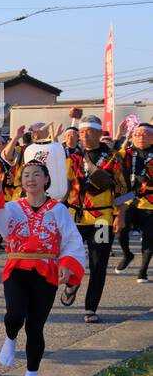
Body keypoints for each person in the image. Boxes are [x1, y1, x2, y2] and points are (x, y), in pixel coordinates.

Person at [0, 159, 85, 376]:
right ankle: (10, 338)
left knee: (35, 327)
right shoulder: (13, 207)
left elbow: (71, 240)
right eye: (26, 174)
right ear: (21, 181)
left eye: (37, 174)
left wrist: (66, 264)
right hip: (17, 267)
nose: (31, 178)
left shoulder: (58, 209)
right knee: (15, 314)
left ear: (46, 179)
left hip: (46, 271)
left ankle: (31, 374)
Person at [64, 118, 126, 322]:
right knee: (69, 257)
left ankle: (91, 307)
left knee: (98, 264)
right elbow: (63, 188)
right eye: (82, 132)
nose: (85, 135)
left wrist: (120, 216)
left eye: (90, 131)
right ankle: (73, 283)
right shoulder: (72, 158)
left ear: (100, 134)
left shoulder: (113, 158)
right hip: (76, 217)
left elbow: (122, 189)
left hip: (102, 218)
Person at [116, 122, 153, 281]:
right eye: (137, 134)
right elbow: (112, 160)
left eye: (145, 134)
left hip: (150, 200)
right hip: (129, 199)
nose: (140, 137)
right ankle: (127, 254)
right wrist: (118, 136)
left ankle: (143, 270)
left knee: (150, 237)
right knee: (120, 229)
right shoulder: (127, 153)